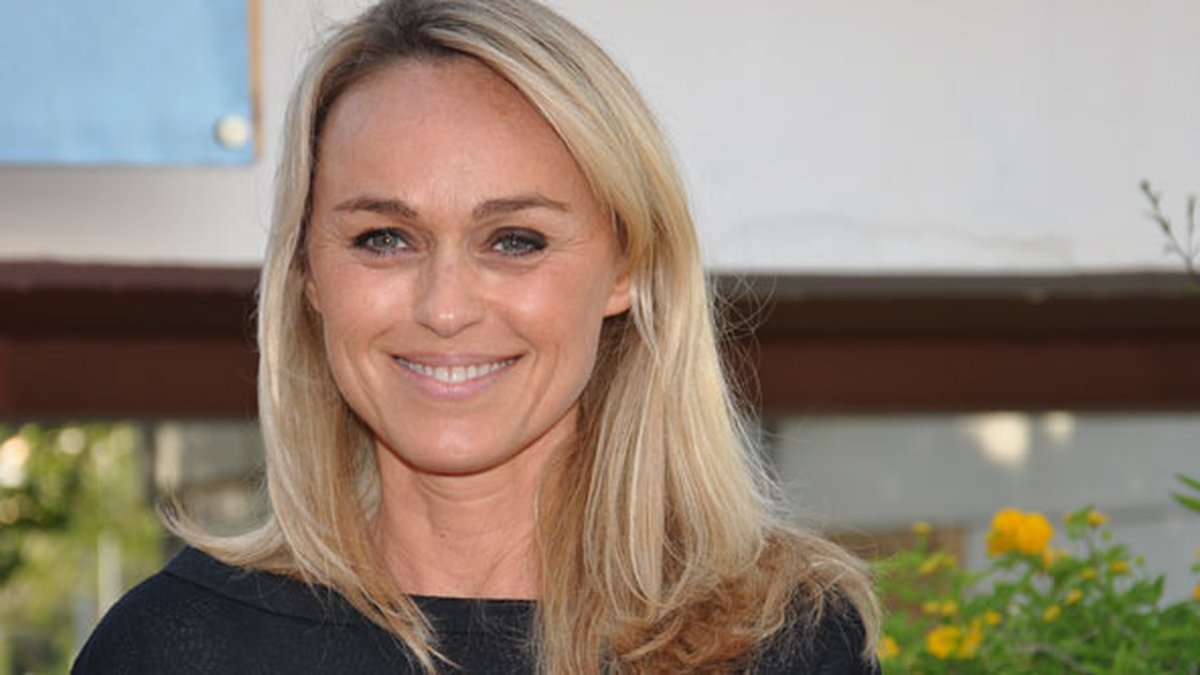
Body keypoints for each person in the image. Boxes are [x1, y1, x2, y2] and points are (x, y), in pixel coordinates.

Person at [74, 1, 880, 672]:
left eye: (515, 240)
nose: (446, 307)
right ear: (307, 274)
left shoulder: (783, 642)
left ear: (627, 266)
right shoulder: (169, 647)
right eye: (384, 238)